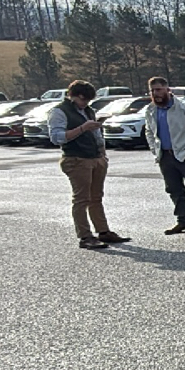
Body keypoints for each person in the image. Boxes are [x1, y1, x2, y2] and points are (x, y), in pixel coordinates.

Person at [48, 80, 130, 250]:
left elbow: (96, 134)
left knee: (96, 197)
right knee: (81, 199)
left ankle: (103, 231)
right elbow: (57, 137)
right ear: (72, 96)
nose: (85, 103)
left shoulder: (88, 110)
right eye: (82, 99)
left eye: (88, 100)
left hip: (96, 157)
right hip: (76, 158)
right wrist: (83, 128)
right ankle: (85, 236)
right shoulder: (59, 112)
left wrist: (102, 153)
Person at [143, 77, 185, 234]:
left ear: (167, 89)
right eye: (152, 90)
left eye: (158, 89)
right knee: (174, 190)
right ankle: (184, 221)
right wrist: (155, 150)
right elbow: (149, 132)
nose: (155, 93)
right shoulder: (151, 110)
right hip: (165, 156)